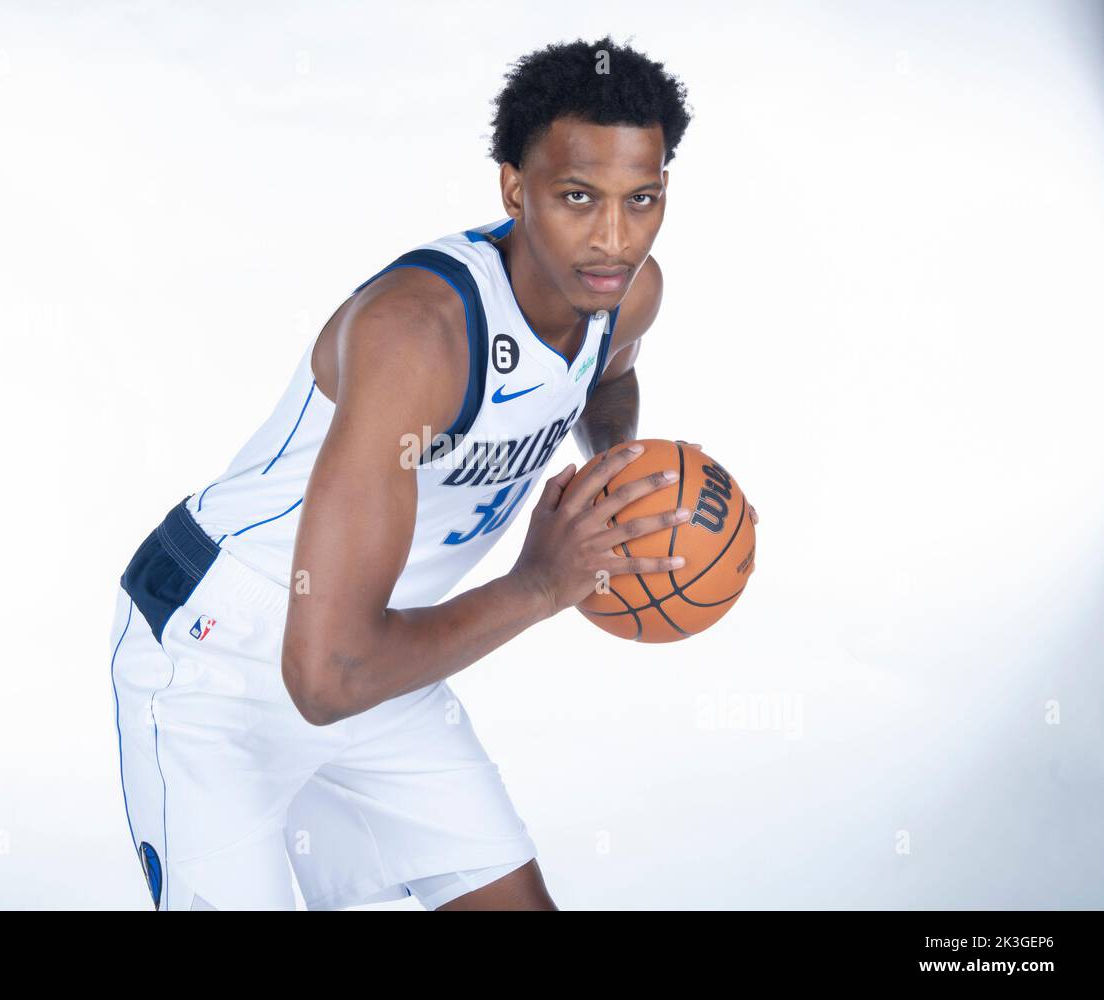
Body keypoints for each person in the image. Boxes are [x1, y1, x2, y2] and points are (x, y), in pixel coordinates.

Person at [108, 34, 757, 911]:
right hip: (221, 653)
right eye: (576, 198)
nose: (612, 236)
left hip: (380, 643)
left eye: (640, 199)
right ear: (513, 187)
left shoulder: (623, 293)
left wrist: (612, 466)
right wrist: (539, 585)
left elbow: (611, 377)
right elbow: (325, 678)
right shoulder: (419, 338)